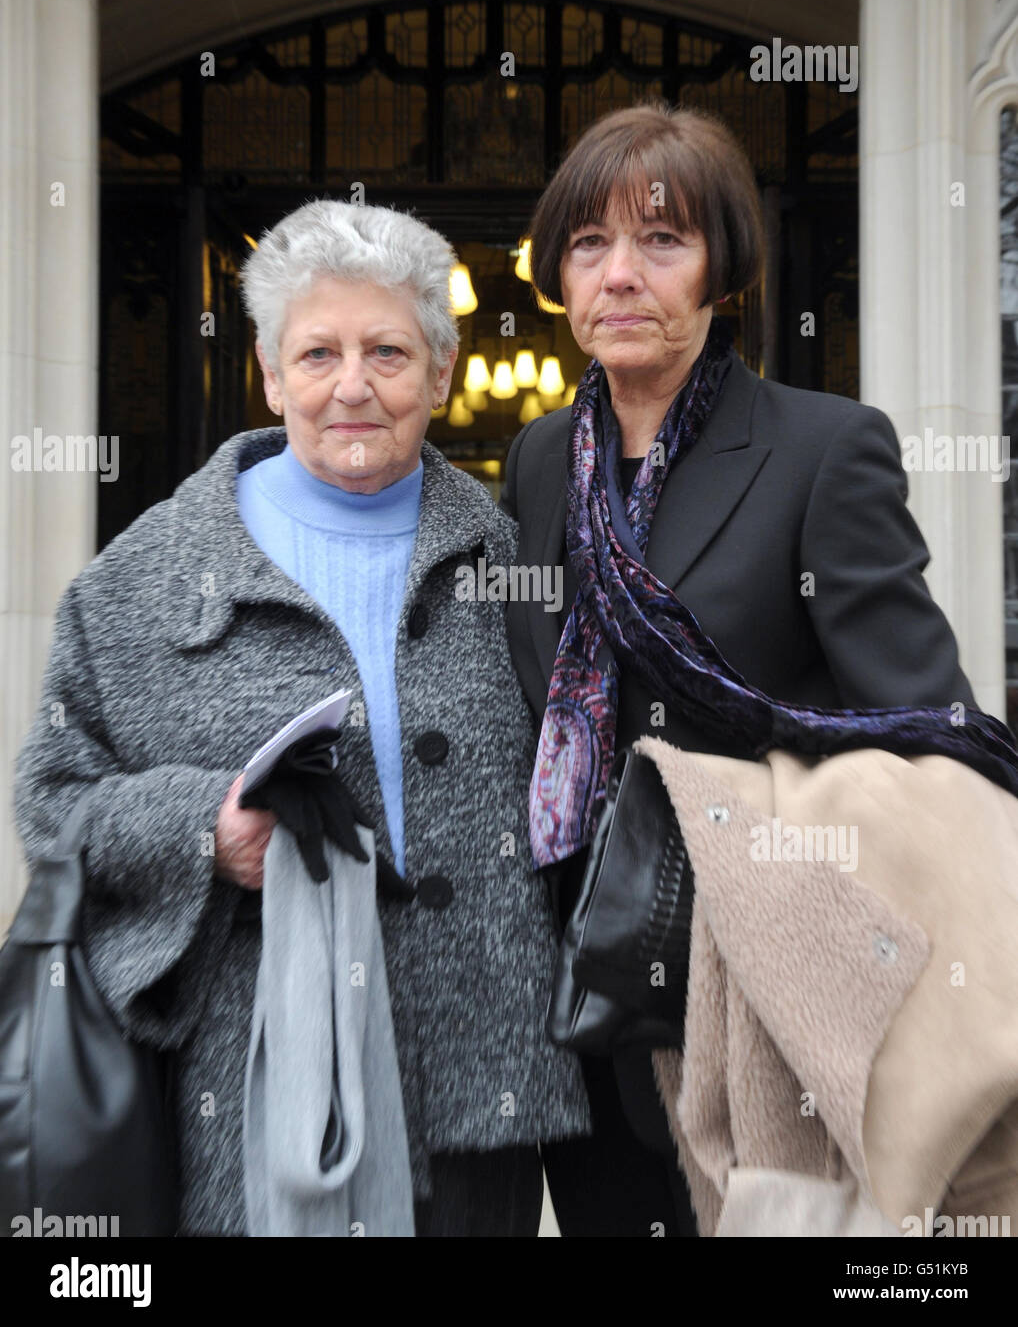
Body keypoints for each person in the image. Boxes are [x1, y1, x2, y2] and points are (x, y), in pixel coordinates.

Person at [14, 199, 589, 1237]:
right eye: (317, 353)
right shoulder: (139, 580)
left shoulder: (520, 563)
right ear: (272, 376)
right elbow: (56, 802)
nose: (353, 386)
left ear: (443, 373)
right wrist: (203, 833)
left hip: (476, 1099)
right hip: (244, 1087)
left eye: (387, 351)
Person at [500, 102, 977, 1237]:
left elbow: (922, 732)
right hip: (573, 987)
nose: (621, 275)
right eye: (589, 244)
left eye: (661, 241)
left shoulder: (822, 448)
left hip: (749, 1000)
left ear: (722, 271)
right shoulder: (534, 460)